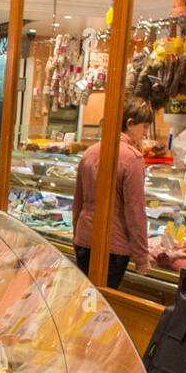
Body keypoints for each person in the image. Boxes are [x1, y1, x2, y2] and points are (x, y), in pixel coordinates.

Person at [72, 97, 153, 289]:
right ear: (130, 123)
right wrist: (142, 257)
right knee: (102, 307)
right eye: (144, 126)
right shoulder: (132, 159)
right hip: (113, 248)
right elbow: (135, 211)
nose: (145, 133)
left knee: (87, 302)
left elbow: (78, 202)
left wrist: (77, 237)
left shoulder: (90, 152)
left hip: (84, 241)